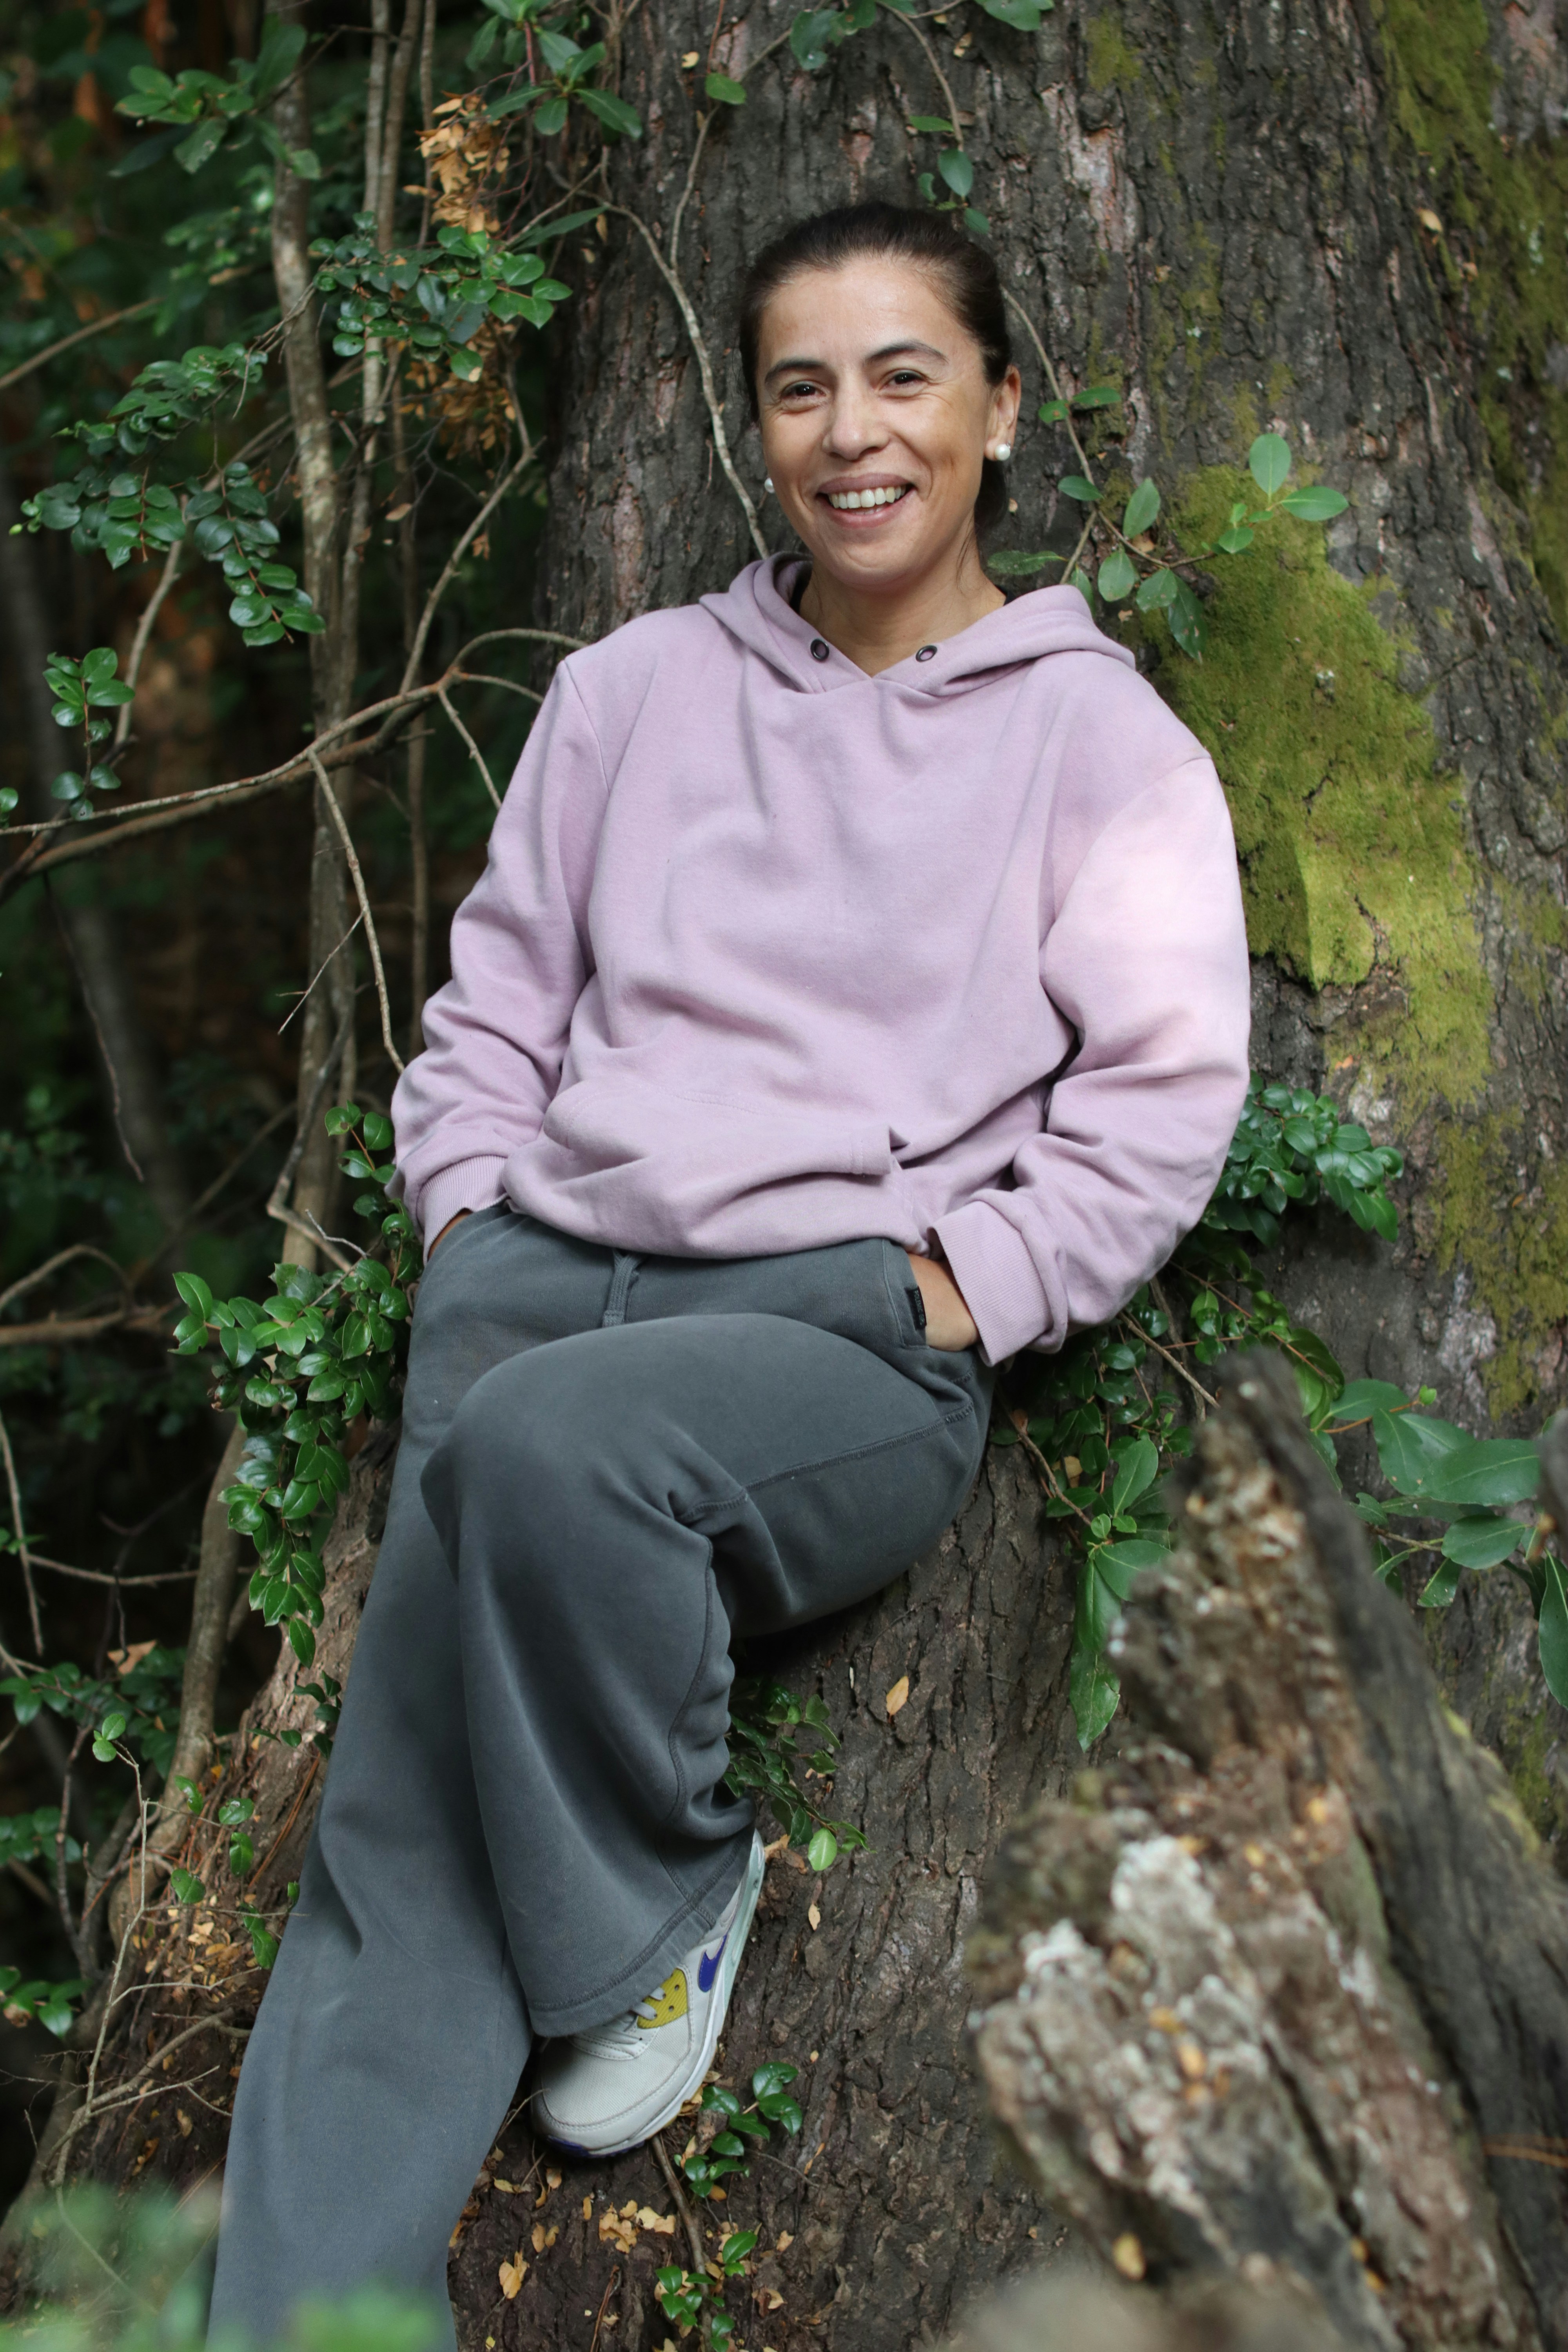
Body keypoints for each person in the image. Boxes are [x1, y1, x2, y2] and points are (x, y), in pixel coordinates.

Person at [206, 200, 1250, 2346]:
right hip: (535, 1278)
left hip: (835, 1335)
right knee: (392, 1859)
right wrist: (474, 1212)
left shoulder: (1100, 744)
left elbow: (1159, 1095)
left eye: (902, 377)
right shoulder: (634, 691)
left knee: (556, 1462)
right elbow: (494, 1009)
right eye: (801, 385)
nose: (851, 433)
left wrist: (965, 1285)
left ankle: (664, 1899)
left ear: (996, 410)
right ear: (757, 423)